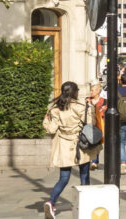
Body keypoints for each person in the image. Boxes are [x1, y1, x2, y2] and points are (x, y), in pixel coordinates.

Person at [41, 81, 87, 219]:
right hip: (81, 145)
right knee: (84, 175)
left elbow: (51, 129)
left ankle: (51, 202)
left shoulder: (55, 109)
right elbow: (90, 123)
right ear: (74, 92)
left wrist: (46, 119)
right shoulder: (80, 107)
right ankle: (86, 206)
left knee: (64, 178)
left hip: (64, 146)